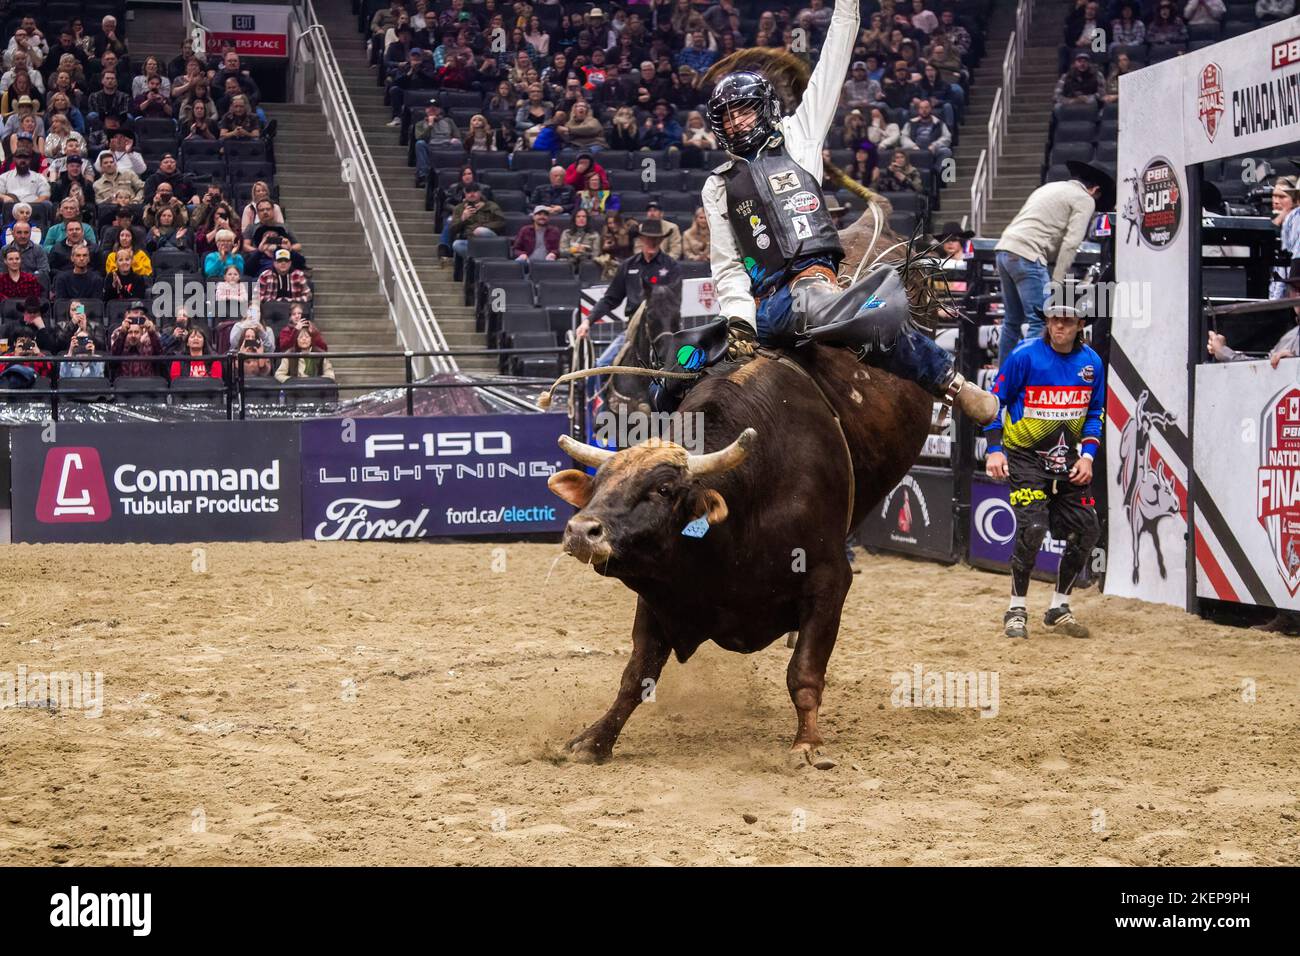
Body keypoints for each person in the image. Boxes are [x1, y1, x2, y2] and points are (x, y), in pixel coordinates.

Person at [689, 3, 997, 423]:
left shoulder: (800, 136)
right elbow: (727, 266)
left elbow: (832, 63)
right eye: (727, 117)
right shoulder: (717, 184)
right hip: (763, 309)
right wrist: (739, 323)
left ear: (764, 108)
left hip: (810, 288)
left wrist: (847, 8)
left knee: (861, 316)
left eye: (743, 110)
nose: (736, 123)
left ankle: (952, 383)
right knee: (686, 356)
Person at [985, 305, 1104, 640]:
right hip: (1025, 457)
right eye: (1054, 319)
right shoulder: (1024, 356)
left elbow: (1094, 411)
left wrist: (1088, 457)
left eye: (1067, 320)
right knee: (1033, 528)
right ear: (1047, 321)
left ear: (1080, 325)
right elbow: (995, 402)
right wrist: (994, 449)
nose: (1059, 326)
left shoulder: (1092, 363)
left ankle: (1059, 607)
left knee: (1088, 529)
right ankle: (1016, 610)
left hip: (1068, 460)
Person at [995, 160, 1114, 364]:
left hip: (1004, 249)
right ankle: (1029, 374)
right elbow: (1071, 242)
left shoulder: (1049, 187)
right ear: (1095, 189)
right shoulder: (1085, 199)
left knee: (1012, 321)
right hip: (1028, 255)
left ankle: (1003, 375)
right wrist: (1057, 282)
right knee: (1041, 320)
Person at [575, 217, 680, 363]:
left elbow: (674, 301)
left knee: (684, 365)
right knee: (600, 366)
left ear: (661, 240)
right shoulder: (628, 266)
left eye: (656, 239)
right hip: (634, 329)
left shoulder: (671, 266)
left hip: (664, 330)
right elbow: (611, 298)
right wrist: (588, 321)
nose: (652, 242)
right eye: (649, 238)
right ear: (641, 239)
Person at [448, 182, 505, 261]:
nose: (471, 194)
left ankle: (481, 257)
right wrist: (463, 219)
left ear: (480, 193)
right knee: (456, 244)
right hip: (471, 241)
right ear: (465, 194)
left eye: (474, 191)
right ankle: (477, 260)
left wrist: (482, 226)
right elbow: (452, 229)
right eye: (468, 192)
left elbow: (501, 222)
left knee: (480, 231)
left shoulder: (491, 205)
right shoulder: (459, 208)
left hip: (489, 240)